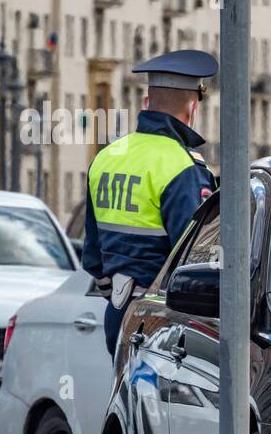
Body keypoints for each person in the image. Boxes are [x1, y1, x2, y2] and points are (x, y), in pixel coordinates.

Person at [81, 49, 219, 355]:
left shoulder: (107, 157)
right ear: (192, 108)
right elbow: (197, 262)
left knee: (125, 402)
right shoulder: (183, 167)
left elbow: (91, 257)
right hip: (163, 322)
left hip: (117, 316)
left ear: (147, 102)